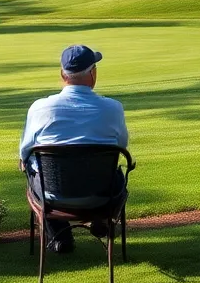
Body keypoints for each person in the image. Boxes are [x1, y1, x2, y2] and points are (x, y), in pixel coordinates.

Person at [19, 45, 128, 254]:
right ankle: (102, 217)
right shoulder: (113, 108)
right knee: (114, 171)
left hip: (53, 196)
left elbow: (25, 152)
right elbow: (121, 146)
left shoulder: (40, 107)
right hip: (101, 194)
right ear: (93, 73)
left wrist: (26, 161)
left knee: (33, 168)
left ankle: (60, 236)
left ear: (62, 75)